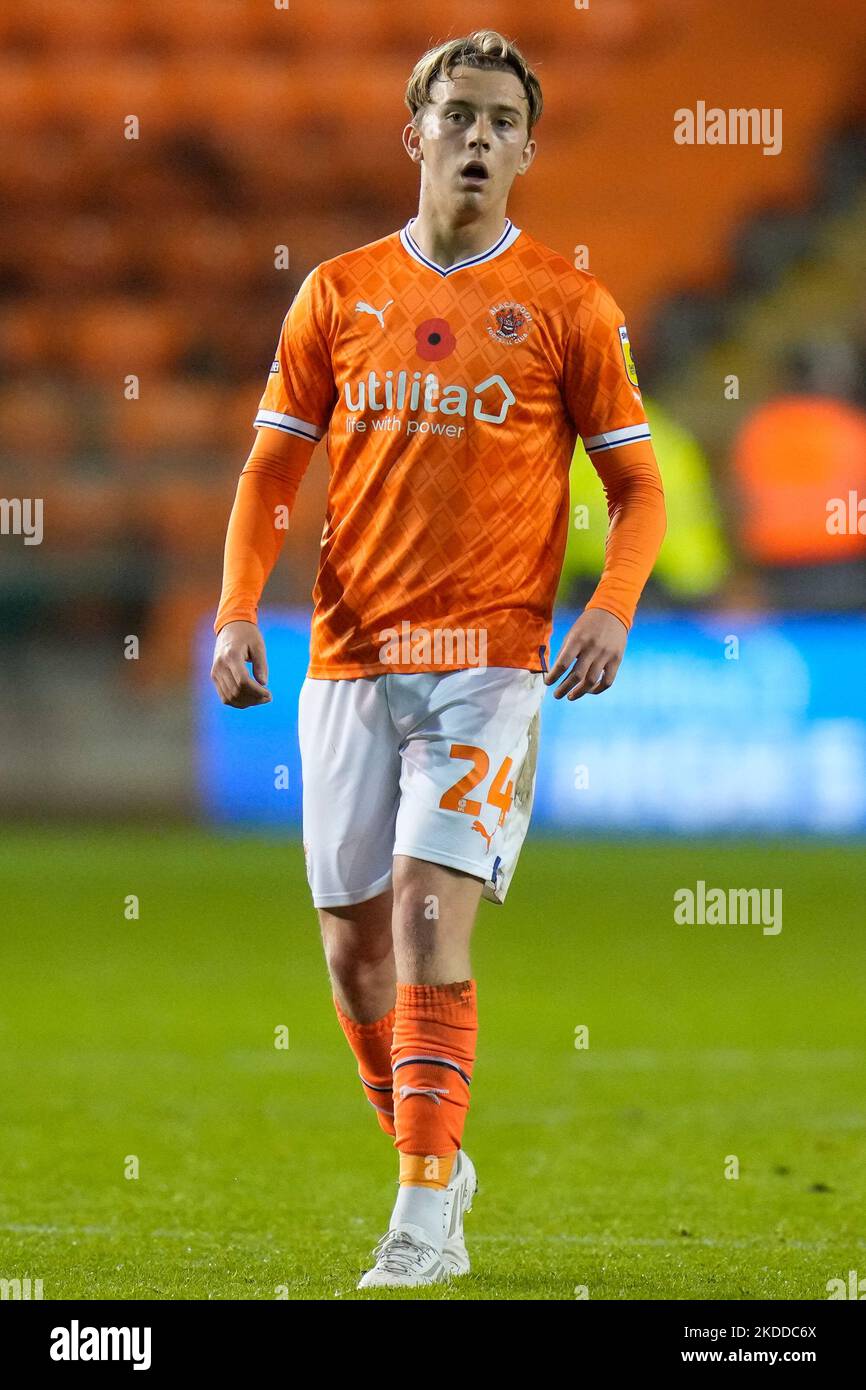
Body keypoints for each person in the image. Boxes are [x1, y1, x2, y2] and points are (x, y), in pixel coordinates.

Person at [211, 29, 666, 1289]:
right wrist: (236, 606)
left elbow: (635, 488)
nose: (475, 136)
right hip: (350, 657)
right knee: (353, 948)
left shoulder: (570, 306)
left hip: (490, 666)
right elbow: (271, 469)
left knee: (422, 914)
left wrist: (610, 610)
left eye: (498, 121)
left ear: (526, 149)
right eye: (454, 114)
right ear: (412, 133)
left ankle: (417, 1217)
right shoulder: (338, 293)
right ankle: (438, 1157)